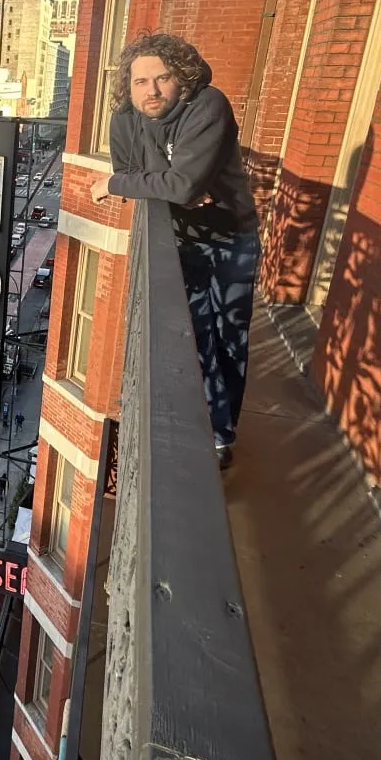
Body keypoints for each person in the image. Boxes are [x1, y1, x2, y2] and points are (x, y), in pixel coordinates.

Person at [90, 34, 259, 470]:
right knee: (189, 331)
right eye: (140, 81)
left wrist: (162, 185)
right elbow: (137, 175)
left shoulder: (208, 106)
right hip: (176, 238)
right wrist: (175, 184)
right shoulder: (125, 120)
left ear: (181, 78)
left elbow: (168, 185)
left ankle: (222, 436)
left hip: (229, 238)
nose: (151, 91)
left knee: (228, 337)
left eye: (162, 78)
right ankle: (187, 416)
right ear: (128, 86)